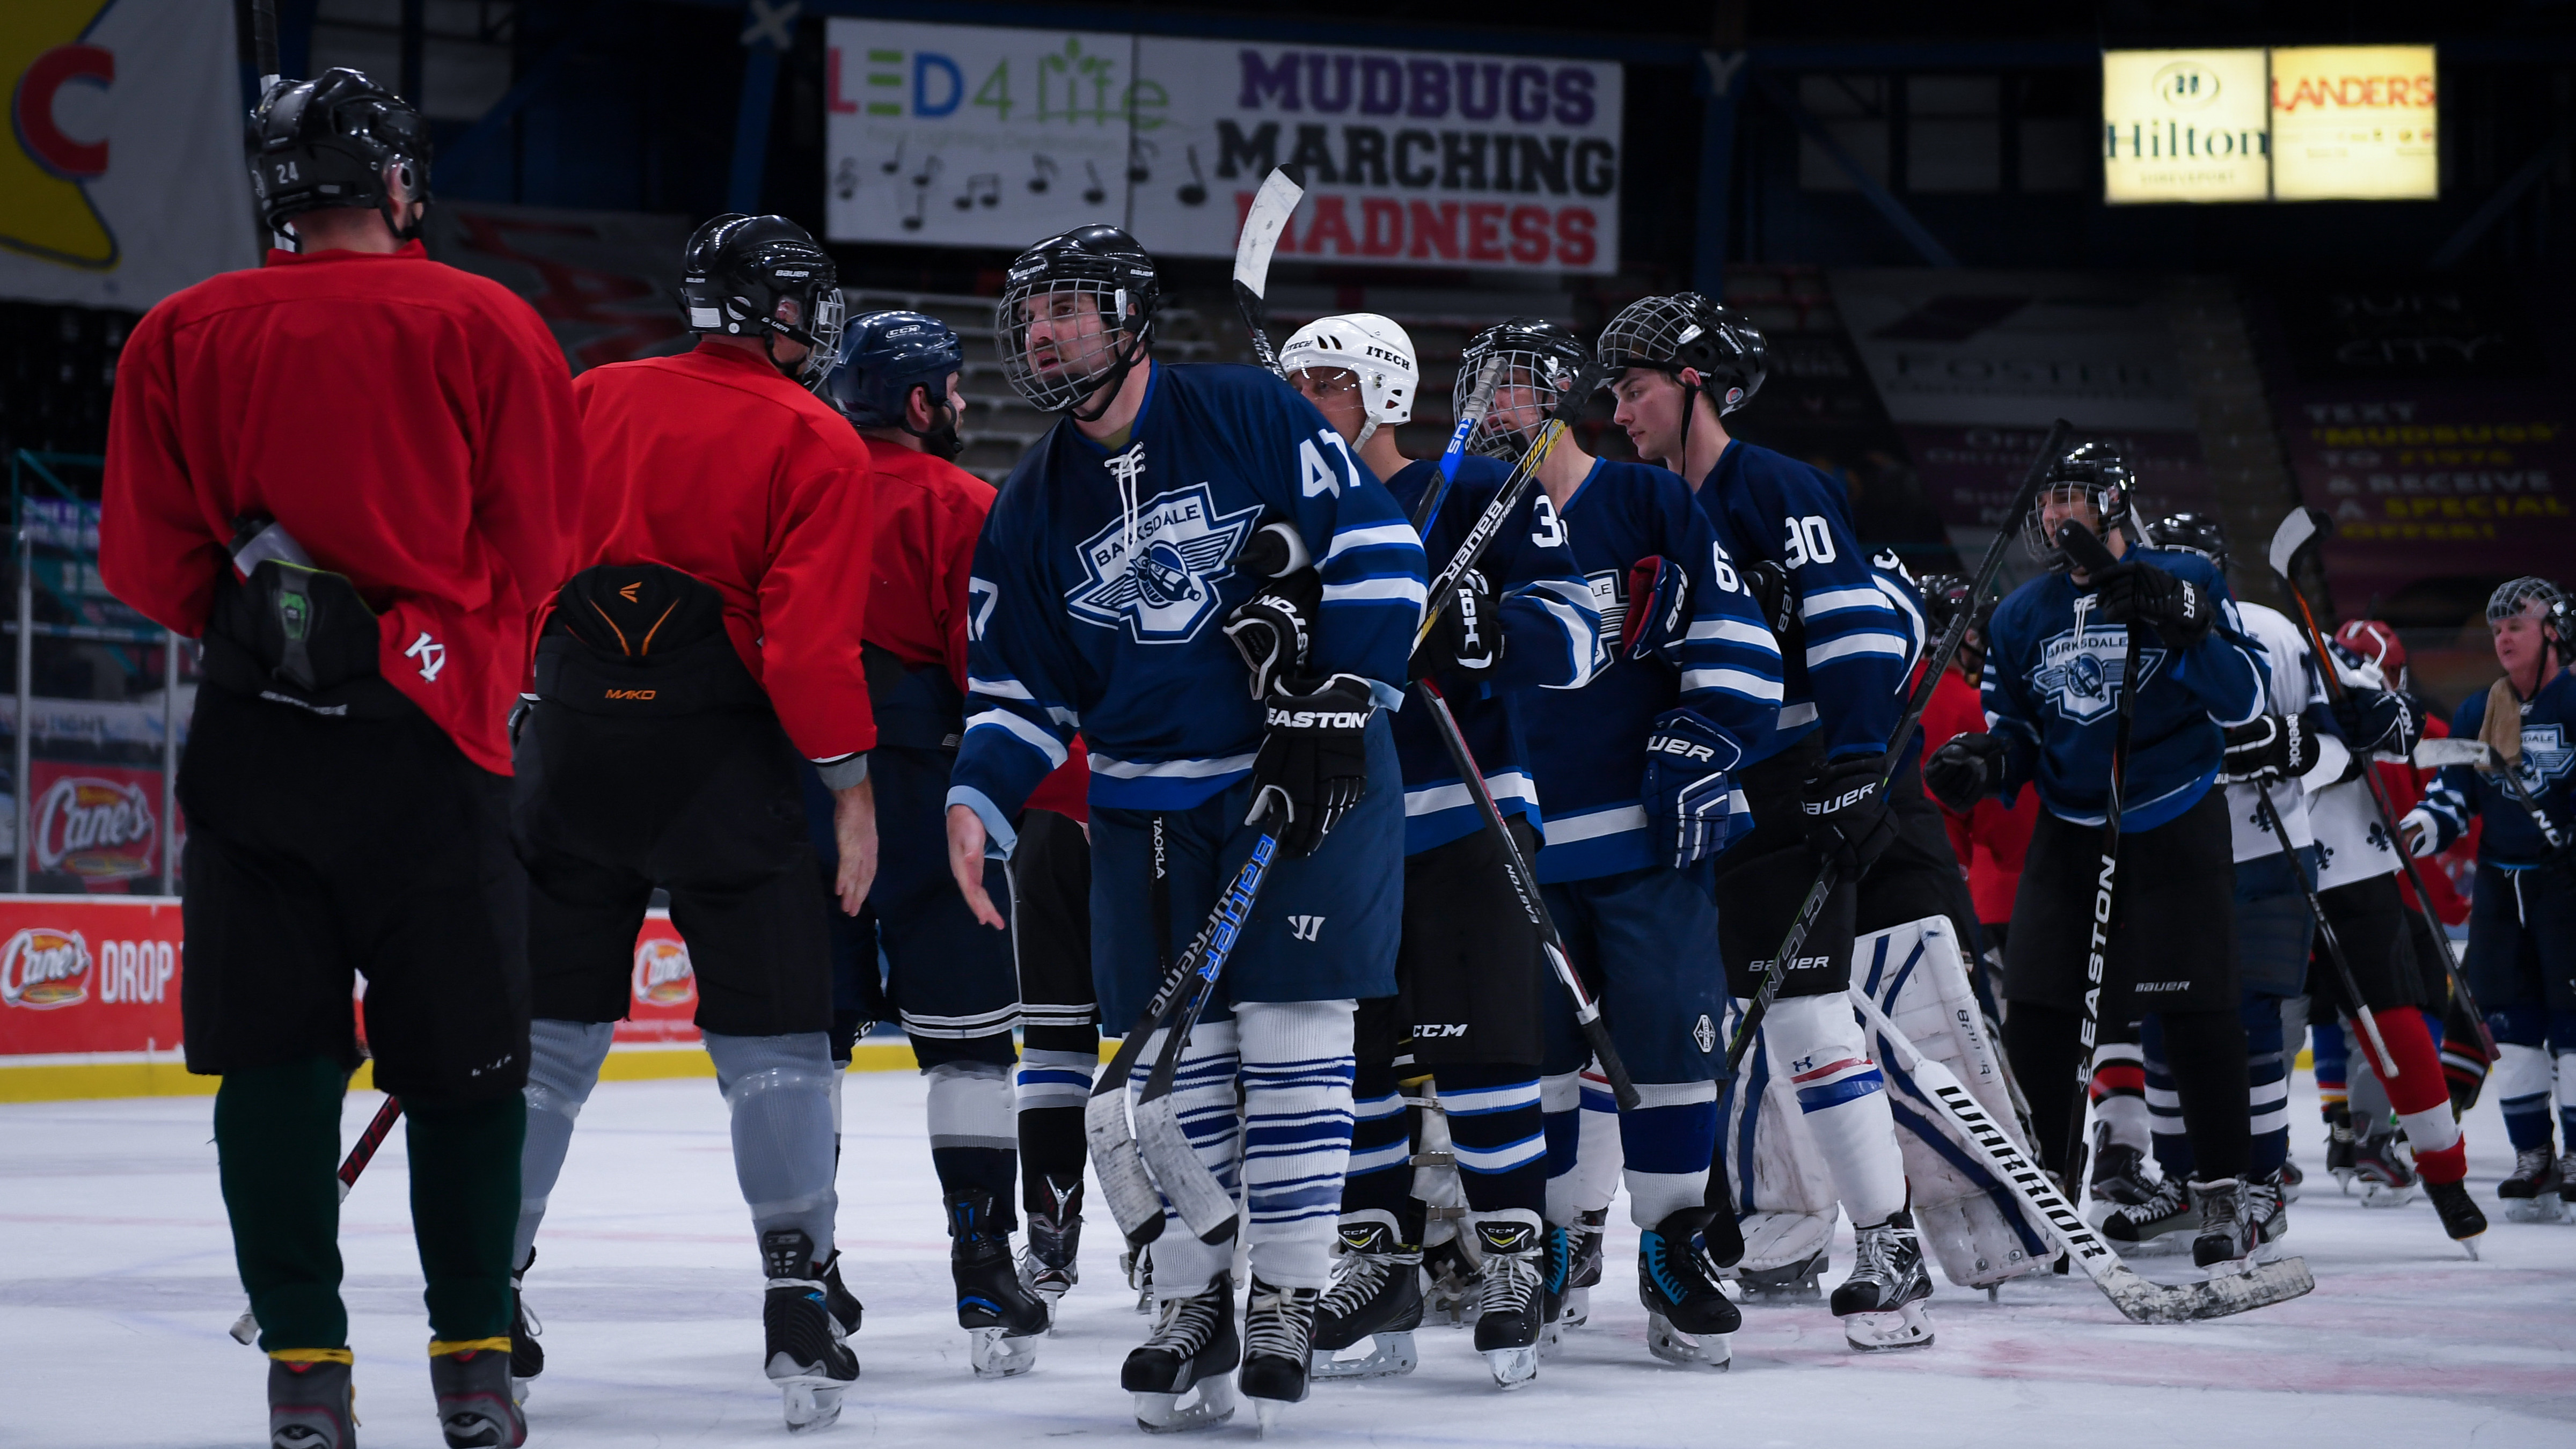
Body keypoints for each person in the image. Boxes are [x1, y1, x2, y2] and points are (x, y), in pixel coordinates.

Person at [100, 67, 583, 1449]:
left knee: (274, 1058)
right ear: (392, 184)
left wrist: (283, 619)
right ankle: (475, 1362)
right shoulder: (490, 324)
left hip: (256, 744)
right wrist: (413, 636)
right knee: (466, 1065)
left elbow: (146, 561)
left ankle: (304, 1362)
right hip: (436, 752)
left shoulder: (180, 332)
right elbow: (544, 551)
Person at [942, 225, 1424, 1432]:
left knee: (1298, 1028)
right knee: (1180, 1058)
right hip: (1145, 804)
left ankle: (1289, 1298)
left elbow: (1382, 557)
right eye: (1032, 313)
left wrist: (1342, 695)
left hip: (1301, 766)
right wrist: (978, 793)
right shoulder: (1030, 502)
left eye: (1067, 309)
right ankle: (1197, 1296)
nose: (1043, 333)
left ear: (1128, 319)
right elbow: (1021, 690)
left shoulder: (1249, 417)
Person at [508, 213, 879, 1433]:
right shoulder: (816, 435)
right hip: (725, 766)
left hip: (568, 749)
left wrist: (522, 723)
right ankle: (793, 1296)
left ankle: (486, 1287)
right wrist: (850, 788)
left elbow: (522, 569)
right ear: (778, 311)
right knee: (770, 1043)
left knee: (549, 1044)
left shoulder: (589, 395)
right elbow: (809, 644)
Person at [1269, 314, 1601, 1391]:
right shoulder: (1287, 521)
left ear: (1383, 396)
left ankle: (1509, 1255)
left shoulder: (1476, 502)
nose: (1301, 403)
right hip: (1340, 822)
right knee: (1355, 1053)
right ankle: (1378, 1258)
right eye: (1294, 385)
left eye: (1324, 385)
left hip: (1465, 811)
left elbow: (1578, 641)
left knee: (1482, 1046)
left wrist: (1486, 624)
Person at [1599, 294, 1932, 1352]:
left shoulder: (1776, 488)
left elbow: (1853, 627)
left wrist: (1856, 766)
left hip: (1785, 783)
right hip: (1687, 794)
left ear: (1697, 383)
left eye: (1635, 385)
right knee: (1668, 1032)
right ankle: (1689, 1235)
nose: (1617, 411)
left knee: (1803, 1020)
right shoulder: (1643, 502)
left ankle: (1890, 1243)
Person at [1462, 318, 1785, 1368]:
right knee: (1540, 1061)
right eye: (1478, 391)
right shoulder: (1469, 517)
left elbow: (1736, 632)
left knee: (1672, 1048)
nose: (1491, 407)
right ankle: (1551, 1247)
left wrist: (1708, 734)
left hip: (1651, 834)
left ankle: (1673, 1250)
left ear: (1561, 394)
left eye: (1511, 388)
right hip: (1521, 843)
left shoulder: (1647, 502)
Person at [1923, 443, 2272, 1269]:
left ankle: (2226, 1192)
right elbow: (2021, 733)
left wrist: (2185, 626)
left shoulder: (2182, 574)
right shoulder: (2020, 615)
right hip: (2074, 832)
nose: (2056, 514)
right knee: (2040, 1017)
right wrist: (1989, 763)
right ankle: (2045, 1196)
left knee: (2196, 1016)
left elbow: (2246, 699)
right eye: (2049, 499)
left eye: (2074, 495)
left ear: (2114, 504)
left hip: (2172, 821)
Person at [817, 310, 1052, 1373]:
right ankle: (982, 1267)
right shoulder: (962, 503)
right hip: (927, 786)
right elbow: (994, 670)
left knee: (801, 1045)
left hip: (798, 786)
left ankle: (803, 1270)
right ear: (918, 402)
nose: (961, 406)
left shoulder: (795, 482)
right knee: (968, 1045)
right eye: (953, 390)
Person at [2091, 513, 2328, 1249]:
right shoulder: (2130, 621)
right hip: (2180, 850)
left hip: (2266, 853)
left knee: (2248, 1024)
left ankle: (2260, 1183)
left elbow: (2341, 736)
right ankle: (2192, 1184)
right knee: (2165, 1021)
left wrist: (2295, 746)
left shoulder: (2270, 628)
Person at [2405, 577, 2576, 1211]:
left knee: (2572, 1024)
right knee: (2513, 1027)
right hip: (2504, 893)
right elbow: (2453, 791)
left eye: (2517, 626)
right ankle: (2534, 1155)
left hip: (2566, 892)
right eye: (2497, 628)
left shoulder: (2575, 700)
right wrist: (2423, 826)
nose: (2502, 638)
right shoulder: (2482, 709)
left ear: (2553, 632)